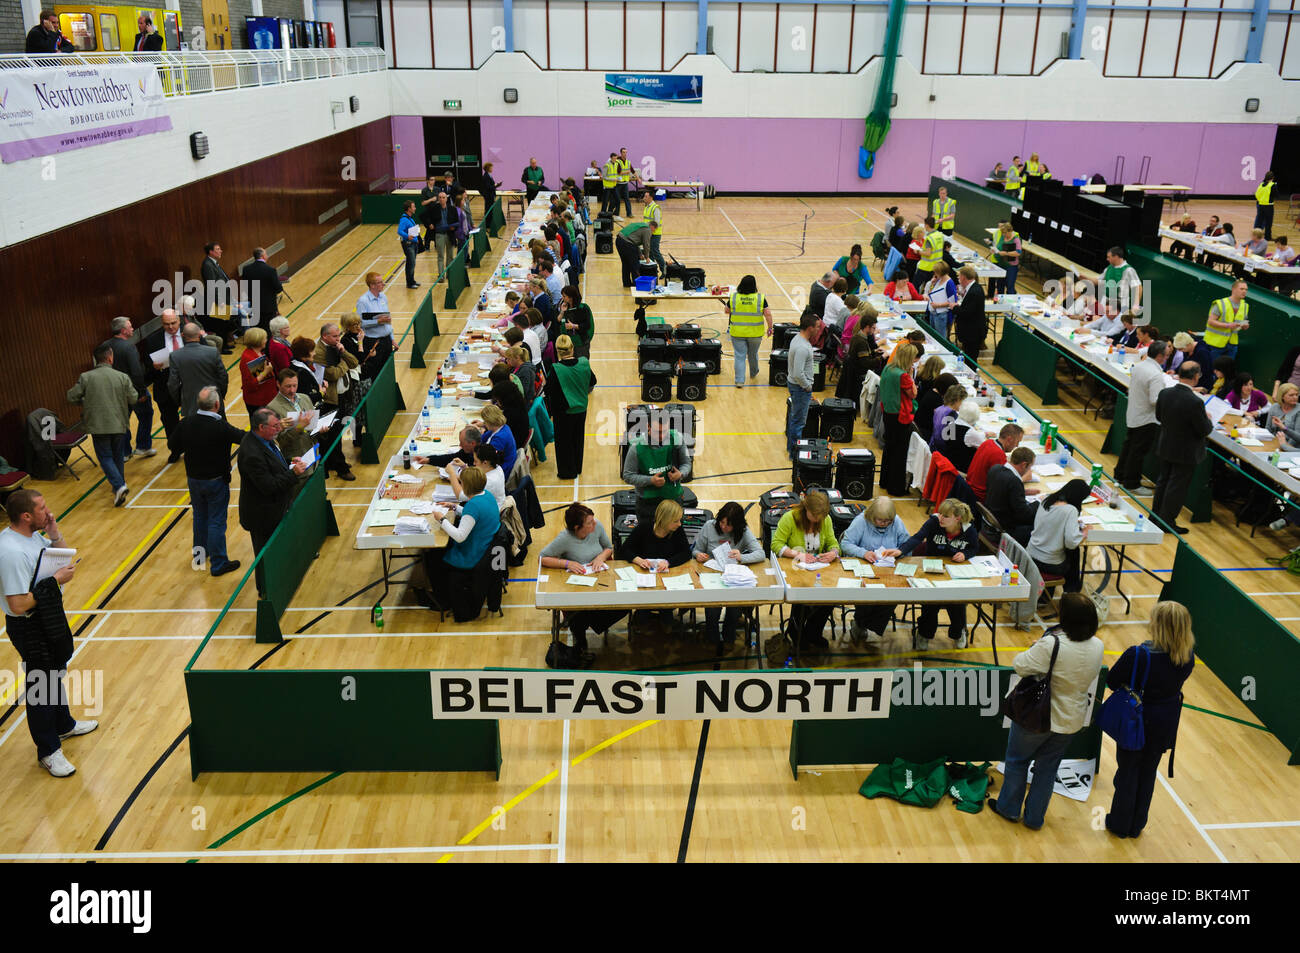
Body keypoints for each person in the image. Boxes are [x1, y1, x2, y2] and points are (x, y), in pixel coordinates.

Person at [990, 592, 1104, 830]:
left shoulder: (1053, 644)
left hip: (1038, 717)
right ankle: (1034, 819)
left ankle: (1009, 809)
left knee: (1017, 761)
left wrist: (1038, 649)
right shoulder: (1098, 645)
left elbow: (1020, 665)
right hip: (1071, 719)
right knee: (1048, 769)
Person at [0, 489, 92, 778]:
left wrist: (54, 533)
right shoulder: (11, 552)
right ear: (26, 516)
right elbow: (17, 604)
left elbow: (61, 559)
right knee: (41, 687)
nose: (48, 511)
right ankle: (48, 751)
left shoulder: (32, 535)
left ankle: (63, 725)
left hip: (46, 617)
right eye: (42, 508)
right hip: (28, 625)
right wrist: (54, 582)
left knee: (55, 673)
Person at [1105, 601, 1197, 839]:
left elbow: (1112, 681)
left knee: (1127, 772)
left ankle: (1119, 824)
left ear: (1158, 625)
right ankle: (1137, 825)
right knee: (1147, 773)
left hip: (1137, 720)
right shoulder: (1187, 657)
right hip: (1166, 720)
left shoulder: (1138, 654)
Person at [167, 386, 246, 577]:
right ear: (217, 405)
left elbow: (172, 445)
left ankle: (200, 557)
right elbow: (243, 437)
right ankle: (218, 563)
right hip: (216, 481)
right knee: (217, 521)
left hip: (194, 480)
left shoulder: (186, 423)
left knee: (200, 518)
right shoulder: (220, 426)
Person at [237, 409, 308, 598]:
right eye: (275, 426)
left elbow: (273, 463)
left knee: (277, 550)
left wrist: (288, 462)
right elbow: (268, 486)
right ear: (261, 427)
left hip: (276, 508)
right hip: (262, 515)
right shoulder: (251, 453)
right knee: (265, 556)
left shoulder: (265, 440)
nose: (279, 429)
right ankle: (267, 591)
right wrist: (293, 474)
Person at [540, 504, 618, 667]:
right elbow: (543, 558)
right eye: (589, 523)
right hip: (578, 585)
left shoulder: (597, 527)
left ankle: (591, 621)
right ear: (577, 528)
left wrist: (600, 558)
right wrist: (567, 563)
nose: (594, 524)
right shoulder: (565, 538)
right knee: (579, 614)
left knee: (622, 607)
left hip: (601, 581)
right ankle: (581, 630)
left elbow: (608, 548)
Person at [899, 498, 980, 649]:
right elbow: (917, 537)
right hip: (931, 569)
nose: (940, 518)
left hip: (954, 571)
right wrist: (900, 550)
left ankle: (959, 632)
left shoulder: (969, 530)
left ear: (958, 518)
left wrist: (965, 554)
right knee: (931, 602)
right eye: (940, 513)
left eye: (945, 516)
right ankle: (924, 634)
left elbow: (974, 548)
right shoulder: (934, 522)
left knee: (957, 602)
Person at [423, 465, 503, 611]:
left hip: (473, 554)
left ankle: (443, 600)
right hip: (487, 547)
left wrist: (442, 520)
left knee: (432, 557)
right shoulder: (487, 495)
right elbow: (475, 516)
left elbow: (460, 536)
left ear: (466, 485)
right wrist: (455, 507)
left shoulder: (473, 506)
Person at [66, 341, 136, 506]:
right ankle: (119, 487)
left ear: (96, 360)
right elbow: (133, 398)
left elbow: (71, 397)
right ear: (110, 358)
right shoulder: (122, 377)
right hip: (119, 423)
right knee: (117, 455)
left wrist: (86, 401)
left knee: (105, 456)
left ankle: (119, 486)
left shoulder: (86, 377)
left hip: (98, 425)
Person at [691, 502, 766, 653]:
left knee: (734, 608)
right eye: (722, 522)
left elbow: (761, 554)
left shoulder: (743, 531)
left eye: (729, 525)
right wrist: (698, 555)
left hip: (733, 577)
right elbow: (696, 549)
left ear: (737, 525)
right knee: (712, 609)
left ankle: (729, 636)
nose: (724, 527)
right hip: (711, 574)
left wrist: (741, 557)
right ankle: (712, 637)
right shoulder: (709, 526)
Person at [772, 489, 839, 651]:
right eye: (814, 516)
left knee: (831, 599)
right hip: (795, 568)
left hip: (818, 569)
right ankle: (796, 634)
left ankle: (813, 633)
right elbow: (776, 544)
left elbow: (833, 543)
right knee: (801, 599)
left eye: (820, 517)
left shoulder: (826, 520)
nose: (817, 520)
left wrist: (833, 553)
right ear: (806, 509)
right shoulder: (790, 518)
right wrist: (798, 555)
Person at [841, 496, 911, 644]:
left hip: (888, 570)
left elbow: (907, 546)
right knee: (868, 593)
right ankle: (860, 624)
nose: (884, 524)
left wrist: (898, 551)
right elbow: (845, 543)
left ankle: (867, 625)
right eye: (880, 521)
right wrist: (863, 553)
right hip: (863, 568)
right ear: (872, 516)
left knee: (893, 594)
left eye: (888, 522)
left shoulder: (897, 522)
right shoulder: (861, 521)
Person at [1153, 363, 1211, 535]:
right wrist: (1207, 419)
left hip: (1166, 444)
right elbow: (1204, 429)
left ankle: (1155, 516)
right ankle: (1167, 522)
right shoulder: (1195, 402)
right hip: (1185, 451)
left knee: (1163, 481)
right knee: (1177, 487)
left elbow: (1158, 416)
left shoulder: (1165, 393)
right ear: (1196, 377)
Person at [1115, 339, 1166, 496]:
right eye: (1166, 355)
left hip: (1134, 413)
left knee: (1129, 446)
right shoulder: (1156, 375)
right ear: (1160, 356)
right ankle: (1132, 483)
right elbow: (1155, 400)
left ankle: (1120, 474)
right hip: (1147, 418)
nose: (1166, 358)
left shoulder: (1139, 367)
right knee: (1138, 451)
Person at [623, 409, 691, 523]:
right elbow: (628, 475)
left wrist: (681, 474)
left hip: (673, 497)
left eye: (665, 431)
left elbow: (686, 463)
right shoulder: (636, 446)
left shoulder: (677, 438)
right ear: (648, 427)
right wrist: (650, 480)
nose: (662, 436)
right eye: (657, 432)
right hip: (647, 502)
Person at [544, 334, 595, 480]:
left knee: (564, 442)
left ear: (558, 351)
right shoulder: (584, 362)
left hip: (564, 412)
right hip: (581, 409)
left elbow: (549, 390)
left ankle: (567, 472)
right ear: (572, 348)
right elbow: (593, 380)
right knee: (578, 439)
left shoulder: (556, 369)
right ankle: (578, 467)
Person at [1027, 479, 1091, 592]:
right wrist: (1084, 533)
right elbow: (1071, 543)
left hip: (1030, 554)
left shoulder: (1046, 499)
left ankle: (1052, 595)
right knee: (1074, 552)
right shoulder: (1070, 510)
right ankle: (1072, 591)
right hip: (1049, 563)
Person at [314, 322, 359, 482]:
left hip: (343, 395)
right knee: (331, 435)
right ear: (325, 336)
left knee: (338, 431)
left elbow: (354, 363)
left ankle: (334, 462)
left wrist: (344, 352)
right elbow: (332, 375)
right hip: (329, 400)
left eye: (339, 335)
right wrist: (343, 364)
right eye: (334, 336)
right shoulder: (319, 352)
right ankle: (340, 467)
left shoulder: (338, 347)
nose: (338, 338)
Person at [105, 316, 154, 459]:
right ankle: (143, 446)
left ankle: (125, 452)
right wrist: (141, 392)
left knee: (122, 422)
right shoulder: (129, 347)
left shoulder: (105, 346)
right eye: (130, 326)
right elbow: (137, 372)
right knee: (146, 415)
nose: (132, 328)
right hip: (133, 390)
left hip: (116, 392)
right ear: (123, 330)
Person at [878, 342, 918, 495]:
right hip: (901, 415)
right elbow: (913, 394)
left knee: (889, 448)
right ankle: (896, 487)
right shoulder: (903, 376)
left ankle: (885, 481)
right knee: (900, 453)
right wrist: (911, 376)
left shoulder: (888, 368)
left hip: (888, 412)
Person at [722, 275, 774, 387]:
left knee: (739, 356)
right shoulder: (760, 298)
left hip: (737, 332)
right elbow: (768, 314)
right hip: (755, 333)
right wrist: (770, 328)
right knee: (753, 353)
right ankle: (753, 372)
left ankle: (739, 380)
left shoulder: (734, 297)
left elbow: (726, 310)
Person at [267, 368, 317, 479]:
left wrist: (321, 430)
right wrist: (299, 427)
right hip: (296, 461)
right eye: (288, 386)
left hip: (313, 455)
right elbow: (280, 441)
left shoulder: (305, 398)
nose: (292, 390)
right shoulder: (272, 408)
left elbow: (313, 427)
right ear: (278, 384)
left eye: (295, 385)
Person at [986, 446, 1041, 545]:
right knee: (1041, 524)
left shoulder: (995, 468)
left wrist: (1023, 492)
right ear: (1024, 465)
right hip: (1006, 528)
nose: (1029, 470)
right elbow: (1025, 515)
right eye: (1029, 467)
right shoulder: (1014, 481)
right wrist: (1038, 502)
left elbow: (1003, 491)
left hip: (989, 522)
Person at [786, 311, 820, 460]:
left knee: (795, 418)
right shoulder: (802, 347)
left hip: (796, 386)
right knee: (798, 422)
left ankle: (791, 448)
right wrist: (807, 387)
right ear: (810, 328)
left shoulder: (797, 339)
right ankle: (794, 454)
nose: (819, 330)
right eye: (817, 327)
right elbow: (798, 373)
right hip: (800, 388)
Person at [968, 422, 1024, 500]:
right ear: (1009, 439)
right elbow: (1004, 486)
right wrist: (1023, 478)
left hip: (970, 489)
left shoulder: (987, 442)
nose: (1017, 445)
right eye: (1017, 442)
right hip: (981, 497)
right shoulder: (998, 455)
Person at [837, 310, 884, 401]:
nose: (874, 330)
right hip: (860, 373)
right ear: (867, 327)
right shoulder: (861, 342)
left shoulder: (857, 336)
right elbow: (866, 363)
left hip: (855, 369)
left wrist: (874, 352)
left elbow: (863, 356)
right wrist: (882, 357)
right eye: (873, 328)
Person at [447, 442, 507, 510]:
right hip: (486, 509)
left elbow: (461, 496)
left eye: (476, 461)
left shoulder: (490, 481)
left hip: (486, 515)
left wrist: (452, 475)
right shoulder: (496, 467)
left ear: (485, 462)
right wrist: (464, 467)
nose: (473, 463)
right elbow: (476, 477)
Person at [199, 242, 236, 353]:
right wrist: (219, 301)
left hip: (224, 298)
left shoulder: (213, 263)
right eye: (218, 249)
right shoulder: (207, 265)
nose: (221, 251)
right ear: (211, 251)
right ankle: (223, 347)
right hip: (218, 300)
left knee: (224, 323)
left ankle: (225, 344)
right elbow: (212, 285)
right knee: (221, 324)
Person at [1203, 279, 1250, 361]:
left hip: (1232, 344)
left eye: (1246, 289)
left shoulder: (1245, 306)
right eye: (1241, 289)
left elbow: (1243, 321)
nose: (1244, 291)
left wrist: (1245, 326)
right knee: (1213, 370)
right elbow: (1210, 321)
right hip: (1215, 344)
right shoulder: (1220, 303)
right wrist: (1228, 325)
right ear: (1233, 289)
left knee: (1227, 370)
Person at [357, 271, 395, 368]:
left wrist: (392, 339)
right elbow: (360, 324)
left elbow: (388, 321)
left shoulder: (383, 297)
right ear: (372, 285)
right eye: (380, 282)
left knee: (388, 369)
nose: (383, 284)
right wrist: (377, 322)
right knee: (376, 370)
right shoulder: (363, 301)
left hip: (387, 341)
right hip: (374, 342)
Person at [238, 327, 278, 416]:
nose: (266, 340)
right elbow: (250, 385)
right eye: (264, 338)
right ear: (257, 341)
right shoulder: (248, 359)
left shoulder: (258, 353)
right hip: (258, 401)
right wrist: (265, 372)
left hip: (268, 397)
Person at [952, 265, 988, 358]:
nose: (958, 279)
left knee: (971, 358)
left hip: (972, 333)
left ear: (963, 277)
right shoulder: (975, 288)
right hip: (971, 332)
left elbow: (967, 312)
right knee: (969, 357)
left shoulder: (974, 292)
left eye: (959, 276)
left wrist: (954, 308)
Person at [477, 404, 518, 477]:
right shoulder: (502, 427)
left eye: (485, 421)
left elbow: (487, 460)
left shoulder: (499, 438)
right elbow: (482, 439)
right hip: (501, 465)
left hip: (501, 472)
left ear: (490, 422)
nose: (484, 423)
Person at [1101, 247, 1142, 319]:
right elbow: (1098, 280)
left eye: (1109, 257)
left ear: (1116, 257)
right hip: (1106, 301)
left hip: (1120, 303)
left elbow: (1138, 287)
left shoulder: (1129, 270)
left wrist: (1135, 305)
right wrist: (1083, 277)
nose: (1107, 259)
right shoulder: (1108, 268)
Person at [920, 378, 962, 446]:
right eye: (962, 401)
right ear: (957, 400)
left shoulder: (940, 408)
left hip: (933, 443)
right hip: (940, 449)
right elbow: (950, 440)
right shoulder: (950, 415)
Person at [922, 262, 957, 339]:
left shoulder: (949, 283)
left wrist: (938, 305)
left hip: (941, 314)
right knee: (933, 337)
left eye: (935, 272)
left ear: (940, 272)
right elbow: (931, 293)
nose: (934, 273)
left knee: (940, 338)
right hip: (933, 312)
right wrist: (932, 284)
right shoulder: (938, 280)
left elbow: (952, 302)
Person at [615, 219, 654, 287]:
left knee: (625, 264)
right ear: (652, 227)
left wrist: (640, 254)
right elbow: (646, 244)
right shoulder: (647, 229)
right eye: (654, 230)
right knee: (635, 265)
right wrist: (647, 257)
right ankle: (637, 285)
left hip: (619, 240)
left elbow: (634, 241)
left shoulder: (639, 225)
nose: (653, 232)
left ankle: (626, 283)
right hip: (627, 244)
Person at [987, 220, 1022, 298]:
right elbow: (998, 247)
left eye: (1005, 233)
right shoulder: (1003, 237)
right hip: (1001, 264)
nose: (1004, 235)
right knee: (1000, 286)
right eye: (1003, 233)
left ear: (1010, 231)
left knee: (1009, 286)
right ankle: (1000, 304)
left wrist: (1006, 253)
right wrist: (994, 250)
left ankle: (1011, 304)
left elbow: (1018, 252)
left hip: (1011, 266)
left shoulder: (1016, 239)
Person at [1263, 383, 1300, 449]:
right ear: (1282, 396)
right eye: (1291, 395)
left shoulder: (1298, 410)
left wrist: (1286, 446)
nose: (1295, 397)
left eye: (1297, 395)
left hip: (1290, 448)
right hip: (1272, 443)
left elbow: (1298, 437)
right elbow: (1268, 428)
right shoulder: (1275, 407)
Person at [639, 188, 666, 277]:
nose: (644, 198)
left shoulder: (655, 208)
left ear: (651, 198)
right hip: (648, 233)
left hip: (655, 234)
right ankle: (653, 270)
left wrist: (649, 229)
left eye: (646, 197)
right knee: (650, 253)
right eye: (644, 196)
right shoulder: (647, 207)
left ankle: (664, 271)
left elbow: (656, 223)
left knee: (655, 252)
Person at [397, 200, 420, 289]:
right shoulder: (404, 219)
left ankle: (412, 280)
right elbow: (399, 231)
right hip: (408, 244)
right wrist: (408, 236)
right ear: (409, 209)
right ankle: (409, 283)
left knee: (412, 263)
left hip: (413, 243)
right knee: (411, 263)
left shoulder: (410, 218)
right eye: (413, 207)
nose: (415, 208)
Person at [1254, 171, 1277, 240]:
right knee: (1268, 222)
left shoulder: (1261, 184)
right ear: (1272, 178)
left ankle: (1256, 235)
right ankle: (1267, 237)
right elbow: (1276, 195)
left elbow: (1257, 194)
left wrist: (1260, 200)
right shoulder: (1272, 185)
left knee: (1259, 221)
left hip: (1260, 205)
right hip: (1268, 206)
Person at [615, 147, 635, 217]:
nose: (625, 154)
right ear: (621, 153)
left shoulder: (628, 161)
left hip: (625, 183)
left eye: (626, 152)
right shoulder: (618, 161)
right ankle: (616, 214)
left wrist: (638, 178)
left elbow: (632, 170)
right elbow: (619, 172)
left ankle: (629, 213)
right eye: (623, 152)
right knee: (617, 199)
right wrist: (627, 172)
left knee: (627, 199)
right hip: (618, 184)